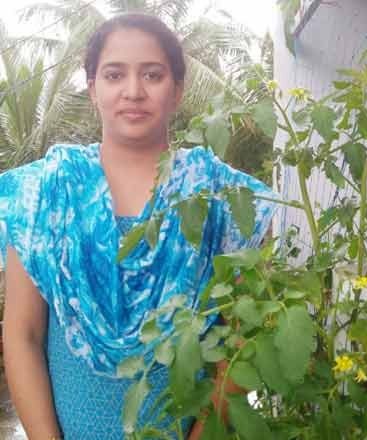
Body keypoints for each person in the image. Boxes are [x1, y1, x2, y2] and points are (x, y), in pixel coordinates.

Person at [0, 13, 279, 439]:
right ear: (93, 88)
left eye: (152, 74)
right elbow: (23, 332)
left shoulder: (223, 198)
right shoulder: (45, 194)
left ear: (178, 90)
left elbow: (241, 340)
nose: (133, 91)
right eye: (114, 75)